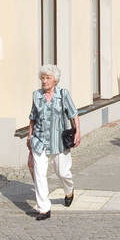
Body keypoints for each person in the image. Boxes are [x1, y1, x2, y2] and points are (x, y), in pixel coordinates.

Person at [27, 64, 80, 220]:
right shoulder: (36, 95)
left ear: (55, 80)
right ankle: (44, 209)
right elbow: (32, 118)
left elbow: (73, 114)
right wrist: (30, 138)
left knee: (63, 173)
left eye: (48, 78)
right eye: (42, 78)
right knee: (39, 175)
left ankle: (69, 190)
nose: (44, 81)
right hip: (39, 140)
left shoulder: (63, 95)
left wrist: (78, 132)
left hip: (58, 142)